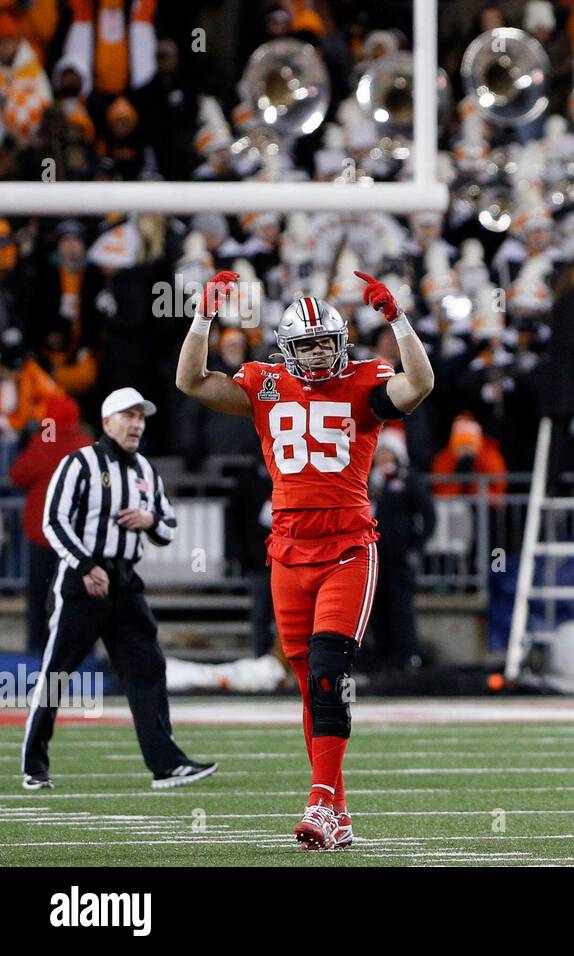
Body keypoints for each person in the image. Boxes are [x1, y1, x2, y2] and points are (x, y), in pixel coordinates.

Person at [175, 269, 434, 850]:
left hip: (346, 545)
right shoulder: (265, 383)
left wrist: (397, 320)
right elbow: (191, 379)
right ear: (287, 350)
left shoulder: (365, 381)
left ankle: (319, 805)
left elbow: (420, 383)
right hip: (288, 549)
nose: (319, 354)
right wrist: (202, 317)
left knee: (326, 671)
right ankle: (337, 812)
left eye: (327, 342)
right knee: (308, 686)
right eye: (308, 344)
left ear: (342, 344)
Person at [22, 387, 215, 791]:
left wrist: (148, 520)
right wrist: (85, 565)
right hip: (83, 581)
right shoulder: (79, 463)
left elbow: (167, 526)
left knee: (148, 669)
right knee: (57, 673)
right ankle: (34, 764)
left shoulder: (145, 469)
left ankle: (166, 765)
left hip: (125, 583)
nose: (136, 424)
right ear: (108, 422)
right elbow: (53, 521)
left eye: (141, 418)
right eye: (129, 416)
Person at [7, 394, 90, 653]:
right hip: (76, 537)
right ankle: (77, 649)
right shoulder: (86, 446)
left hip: (41, 533)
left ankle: (36, 647)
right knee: (76, 596)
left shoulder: (44, 442)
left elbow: (17, 475)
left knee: (38, 595)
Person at [368, 428, 435, 673]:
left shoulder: (408, 480)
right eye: (381, 453)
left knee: (401, 609)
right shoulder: (368, 481)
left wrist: (415, 546)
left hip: (399, 556)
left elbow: (428, 515)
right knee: (377, 610)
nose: (384, 458)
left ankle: (407, 657)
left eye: (389, 453)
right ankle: (382, 658)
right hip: (374, 556)